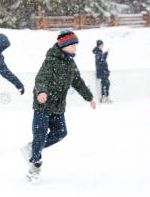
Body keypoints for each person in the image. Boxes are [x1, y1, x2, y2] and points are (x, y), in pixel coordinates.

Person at [21, 30, 96, 183]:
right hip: (43, 105)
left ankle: (33, 147)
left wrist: (89, 97)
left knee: (61, 132)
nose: (75, 48)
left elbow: (78, 82)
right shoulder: (51, 60)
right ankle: (34, 170)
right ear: (64, 45)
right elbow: (41, 77)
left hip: (58, 106)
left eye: (76, 45)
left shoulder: (70, 63)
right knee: (40, 135)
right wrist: (41, 91)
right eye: (73, 45)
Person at [92, 39, 112, 103]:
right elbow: (101, 61)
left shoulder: (99, 52)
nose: (103, 46)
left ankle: (105, 97)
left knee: (106, 84)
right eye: (102, 45)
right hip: (102, 72)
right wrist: (106, 53)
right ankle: (104, 98)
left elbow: (102, 61)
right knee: (105, 84)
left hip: (103, 72)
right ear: (99, 45)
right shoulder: (98, 52)